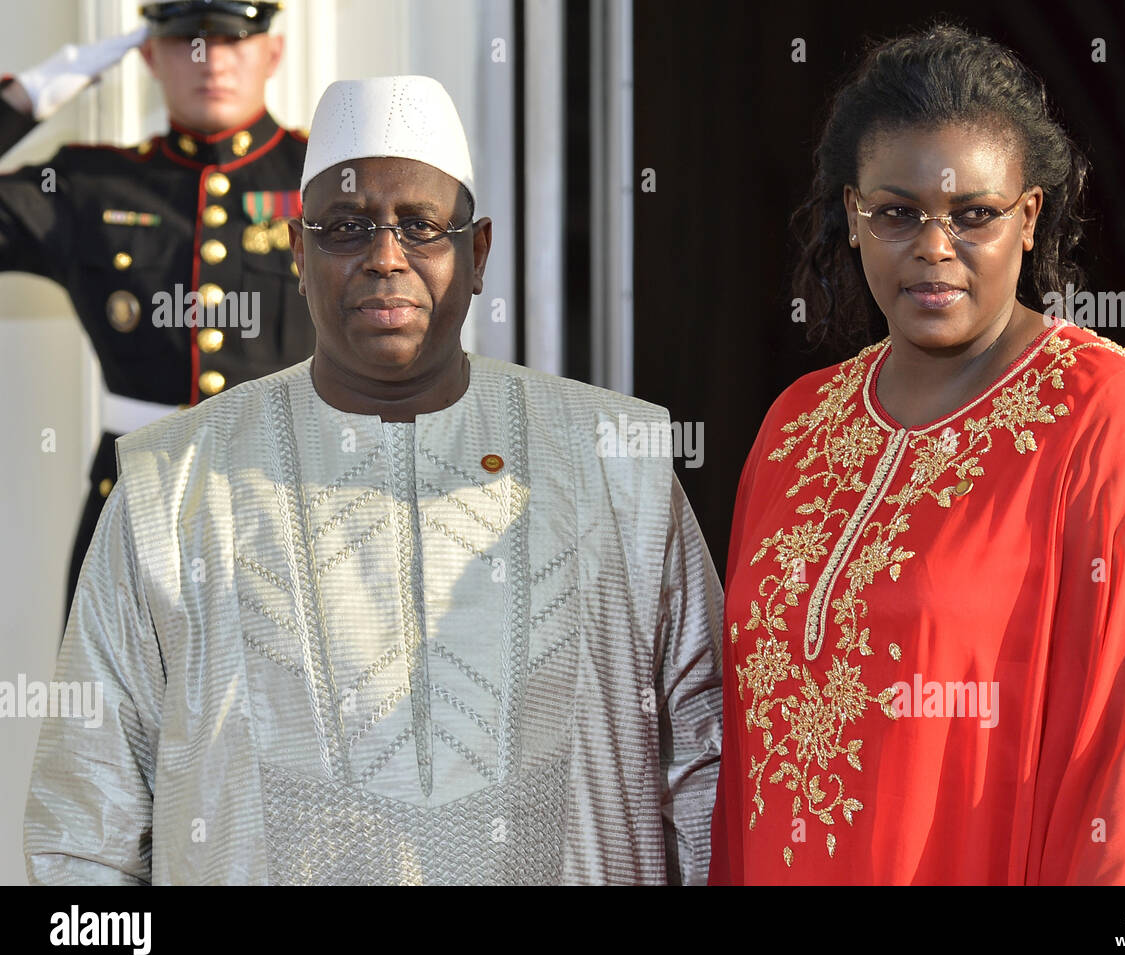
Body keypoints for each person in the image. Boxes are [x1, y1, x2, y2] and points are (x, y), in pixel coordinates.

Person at [24, 74, 723, 885]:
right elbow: (82, 828)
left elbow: (711, 774)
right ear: (298, 253)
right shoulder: (169, 486)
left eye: (421, 227)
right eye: (346, 227)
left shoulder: (617, 462)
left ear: (478, 253)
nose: (385, 258)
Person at [708, 22, 1125, 885]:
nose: (934, 248)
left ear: (1029, 219)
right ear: (852, 217)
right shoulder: (794, 430)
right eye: (898, 213)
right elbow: (738, 756)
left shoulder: (1110, 427)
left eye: (974, 215)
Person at [0, 1, 313, 617]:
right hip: (134, 518)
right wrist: (27, 98)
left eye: (234, 40)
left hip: (294, 510)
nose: (211, 61)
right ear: (147, 55)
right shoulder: (89, 186)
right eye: (187, 41)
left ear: (273, 53)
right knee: (115, 711)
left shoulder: (327, 178)